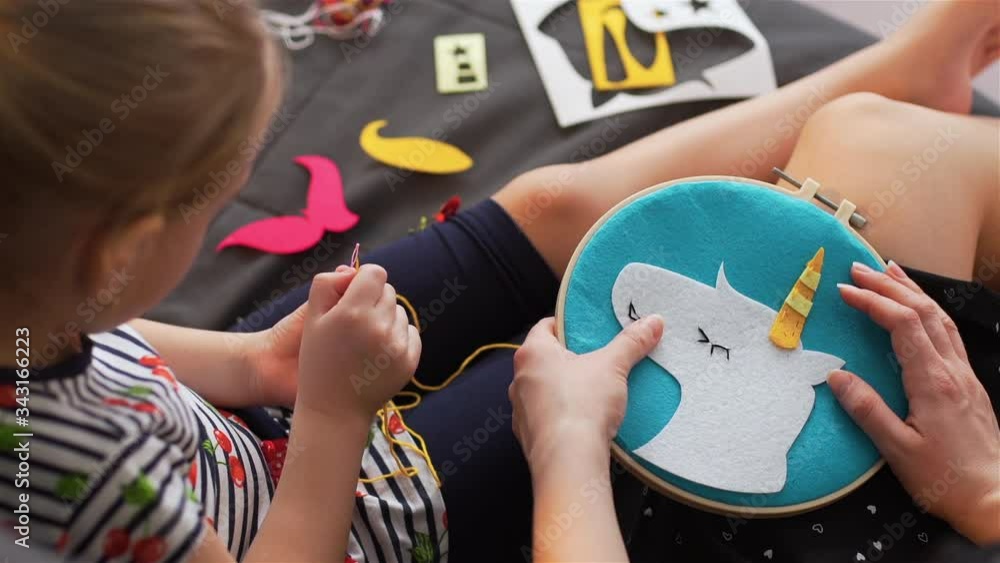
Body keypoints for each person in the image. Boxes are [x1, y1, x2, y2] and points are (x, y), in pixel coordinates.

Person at [0, 2, 996, 563]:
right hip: (358, 522)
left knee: (548, 205)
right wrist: (338, 417)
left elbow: (96, 342)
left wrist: (258, 360)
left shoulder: (26, 303)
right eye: (215, 197)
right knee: (639, 379)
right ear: (120, 249)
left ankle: (903, 71)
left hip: (249, 423)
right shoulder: (95, 481)